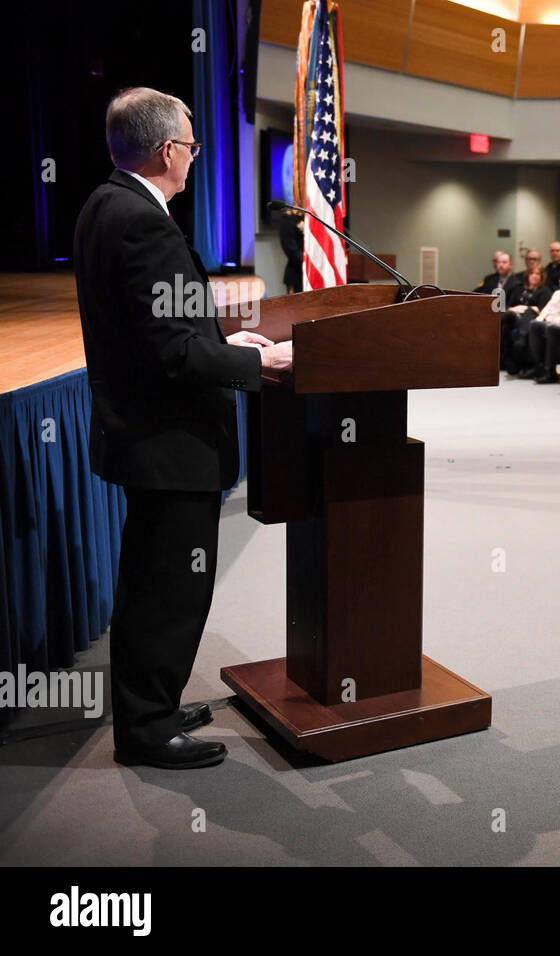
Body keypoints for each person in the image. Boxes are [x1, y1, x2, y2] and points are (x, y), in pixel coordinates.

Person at [74, 88, 293, 768]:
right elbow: (173, 354)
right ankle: (144, 731)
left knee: (152, 580)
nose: (195, 159)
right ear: (168, 150)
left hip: (147, 436)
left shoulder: (105, 204)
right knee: (168, 589)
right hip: (168, 442)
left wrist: (237, 345)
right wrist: (266, 365)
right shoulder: (142, 220)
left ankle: (154, 705)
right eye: (193, 147)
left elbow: (166, 331)